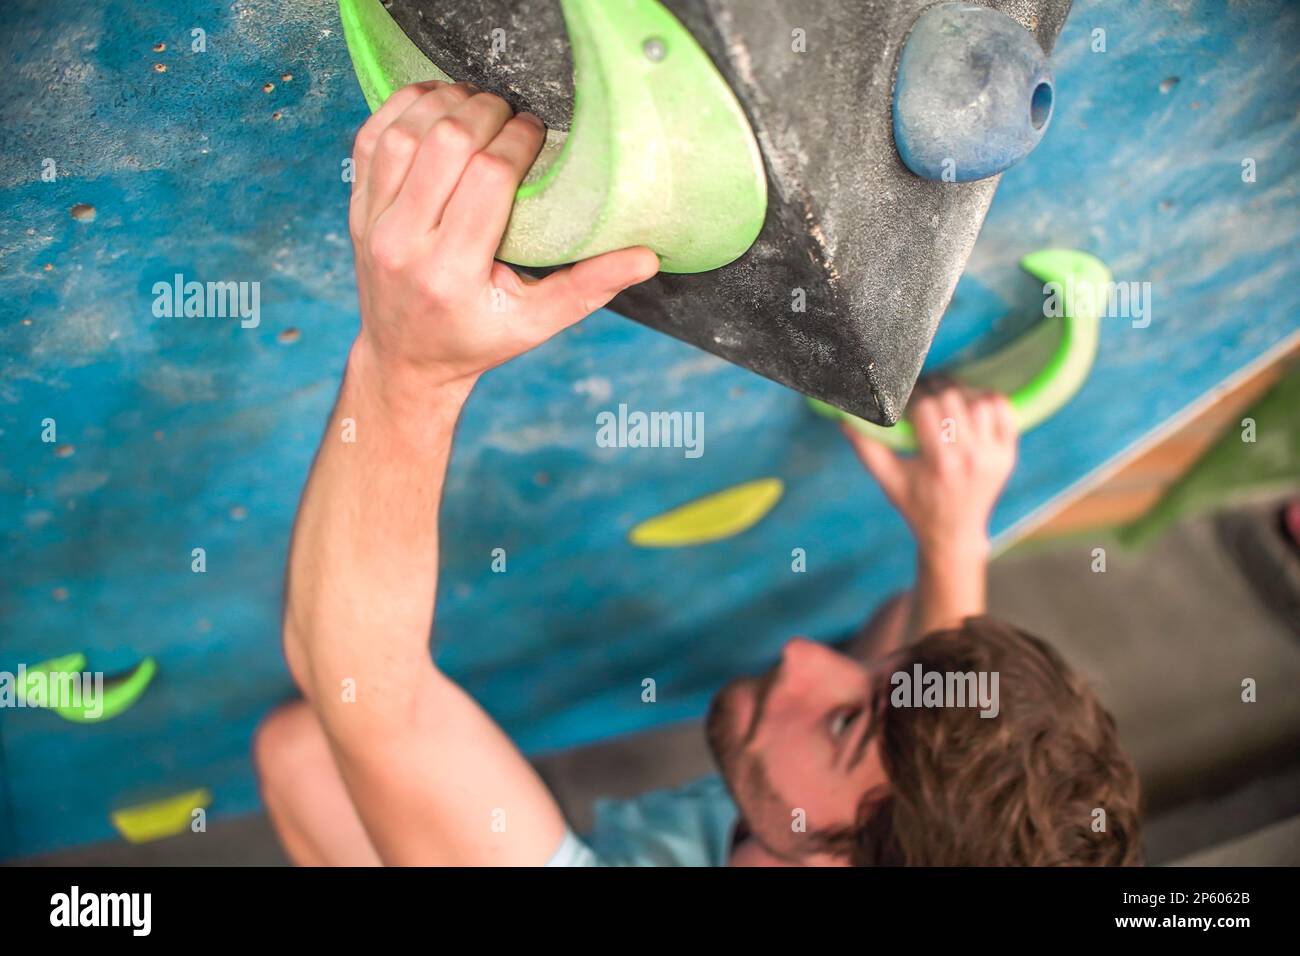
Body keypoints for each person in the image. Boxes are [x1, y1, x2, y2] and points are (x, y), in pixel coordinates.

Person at [253, 81, 1142, 867]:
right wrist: (953, 537)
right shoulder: (878, 827)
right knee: (309, 752)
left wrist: (409, 369)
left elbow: (366, 693)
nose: (806, 658)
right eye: (877, 681)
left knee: (314, 742)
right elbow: (908, 691)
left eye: (842, 722)